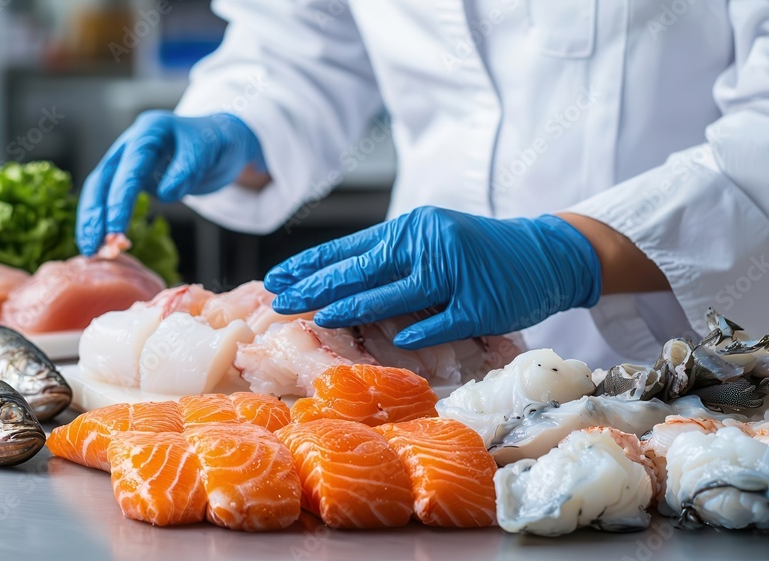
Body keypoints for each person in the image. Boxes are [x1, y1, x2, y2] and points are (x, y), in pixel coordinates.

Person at [77, 1, 769, 367]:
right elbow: (299, 49)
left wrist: (569, 252)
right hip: (422, 359)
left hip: (710, 366)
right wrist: (237, 129)